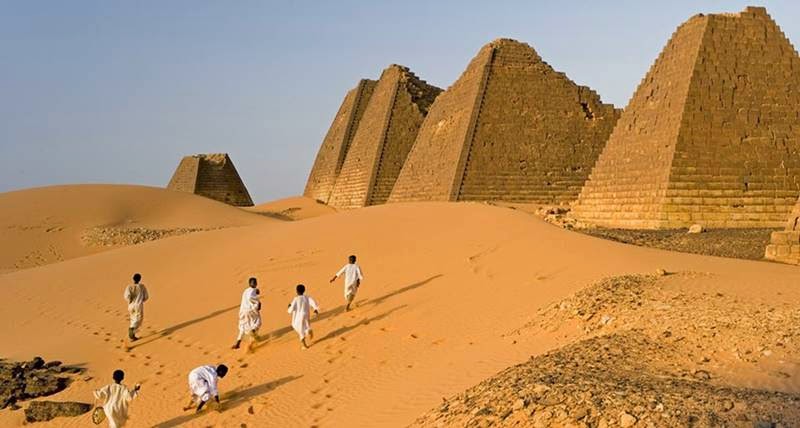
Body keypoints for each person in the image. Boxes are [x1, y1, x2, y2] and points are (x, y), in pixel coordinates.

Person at [232, 277, 262, 350]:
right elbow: (252, 298)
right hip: (251, 310)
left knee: (242, 326)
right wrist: (258, 304)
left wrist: (256, 292)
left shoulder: (245, 291)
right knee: (257, 321)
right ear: (256, 284)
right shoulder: (253, 290)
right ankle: (253, 336)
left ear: (249, 284)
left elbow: (251, 294)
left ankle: (238, 343)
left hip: (243, 311)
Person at [287, 284, 319, 349]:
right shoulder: (307, 297)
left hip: (299, 317)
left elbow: (291, 309)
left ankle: (304, 345)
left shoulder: (296, 299)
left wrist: (289, 307)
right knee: (306, 326)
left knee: (298, 327)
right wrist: (315, 308)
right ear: (304, 291)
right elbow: (312, 302)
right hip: (306, 315)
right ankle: (308, 330)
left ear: (296, 291)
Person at [123, 273, 149, 342]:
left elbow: (126, 296)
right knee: (139, 320)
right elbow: (146, 297)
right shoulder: (142, 286)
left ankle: (132, 335)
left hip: (130, 306)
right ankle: (132, 332)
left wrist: (130, 301)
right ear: (140, 279)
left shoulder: (129, 287)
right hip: (138, 305)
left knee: (133, 319)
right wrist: (141, 300)